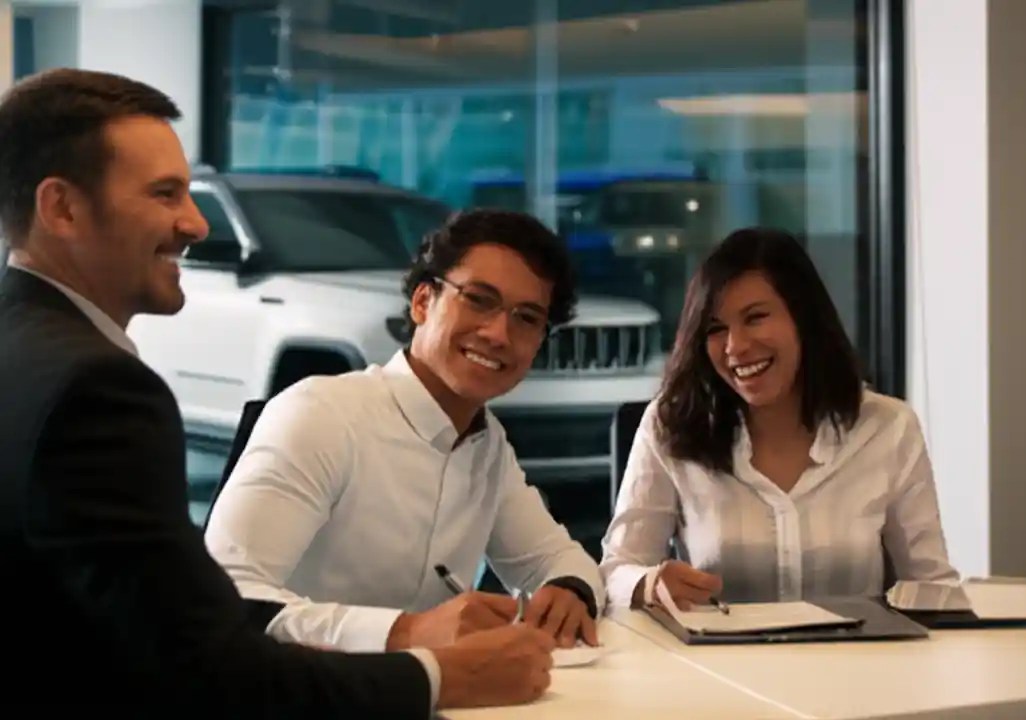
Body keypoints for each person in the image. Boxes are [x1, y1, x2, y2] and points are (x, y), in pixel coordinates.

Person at [0, 67, 553, 716]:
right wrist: (438, 675)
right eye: (165, 194)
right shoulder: (99, 390)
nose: (196, 224)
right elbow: (207, 668)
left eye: (528, 317)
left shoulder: (25, 347)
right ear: (61, 208)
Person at [203, 208, 605, 654]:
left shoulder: (486, 445)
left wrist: (570, 590)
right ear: (422, 302)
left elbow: (561, 560)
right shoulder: (322, 416)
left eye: (526, 318)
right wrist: (405, 633)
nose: (498, 333)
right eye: (478, 299)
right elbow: (224, 598)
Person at [599, 228, 959, 610]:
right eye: (716, 329)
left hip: (856, 665)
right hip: (716, 664)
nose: (735, 346)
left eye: (755, 318)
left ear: (804, 319)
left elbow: (932, 587)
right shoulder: (671, 424)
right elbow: (618, 570)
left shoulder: (888, 427)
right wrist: (649, 583)